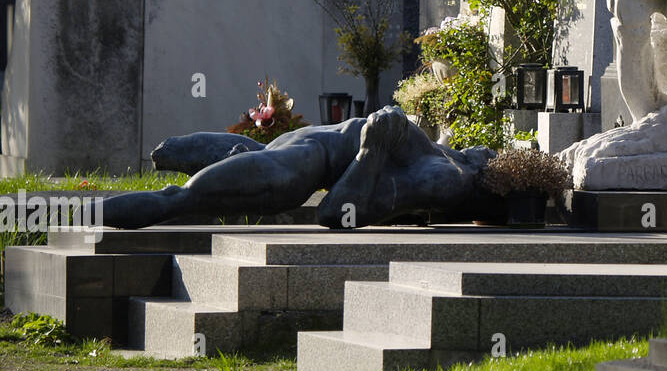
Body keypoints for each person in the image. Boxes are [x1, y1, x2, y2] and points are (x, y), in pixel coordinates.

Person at [101, 107, 493, 229]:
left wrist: (371, 147)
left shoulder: (448, 179)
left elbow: (335, 215)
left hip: (296, 167)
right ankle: (230, 156)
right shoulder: (449, 158)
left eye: (494, 155)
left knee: (180, 201)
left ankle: (82, 213)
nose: (489, 150)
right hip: (301, 145)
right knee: (175, 156)